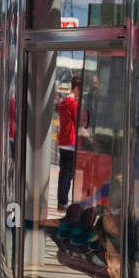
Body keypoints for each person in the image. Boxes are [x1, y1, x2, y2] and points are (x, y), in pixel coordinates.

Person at [55, 75, 81, 211]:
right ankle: (64, 201)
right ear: (76, 88)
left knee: (62, 172)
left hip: (62, 141)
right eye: (80, 90)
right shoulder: (73, 104)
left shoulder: (63, 102)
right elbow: (79, 122)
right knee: (68, 174)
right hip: (71, 142)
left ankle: (61, 201)